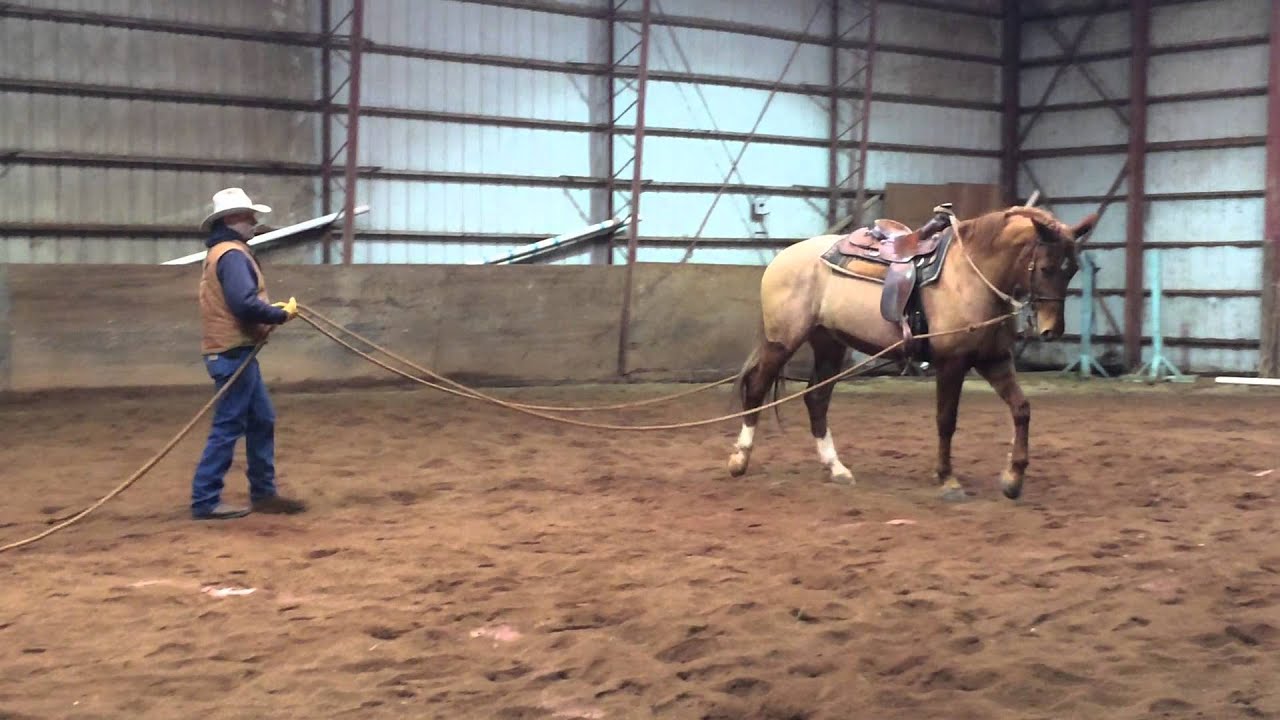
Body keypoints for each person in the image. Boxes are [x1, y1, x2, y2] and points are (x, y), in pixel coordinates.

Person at [190, 188, 307, 520]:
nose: (254, 222)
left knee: (260, 419)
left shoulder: (222, 252)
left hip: (231, 351)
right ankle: (205, 500)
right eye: (247, 216)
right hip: (232, 352)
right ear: (231, 219)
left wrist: (271, 313)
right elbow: (243, 303)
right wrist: (277, 314)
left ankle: (263, 492)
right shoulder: (233, 255)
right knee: (229, 424)